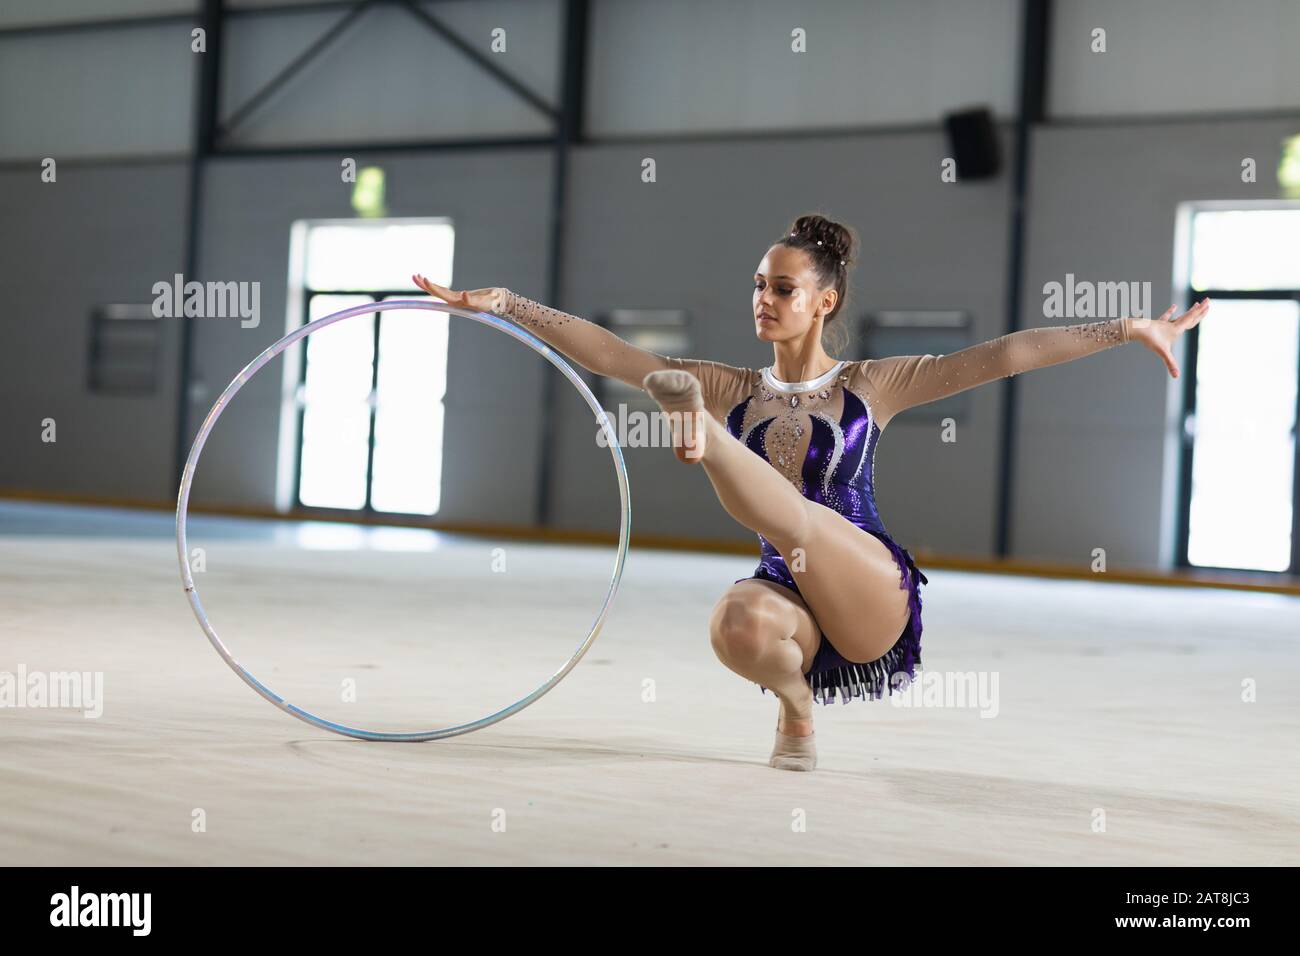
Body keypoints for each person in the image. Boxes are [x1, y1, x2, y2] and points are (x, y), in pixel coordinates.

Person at [413, 213, 1207, 772]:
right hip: (788, 593)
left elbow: (1006, 355)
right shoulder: (735, 383)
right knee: (734, 620)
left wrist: (1127, 328)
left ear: (824, 301)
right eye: (758, 285)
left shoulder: (873, 384)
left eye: (783, 288)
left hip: (868, 594)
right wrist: (508, 304)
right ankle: (796, 706)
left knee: (797, 517)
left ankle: (702, 435)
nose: (764, 298)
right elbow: (612, 354)